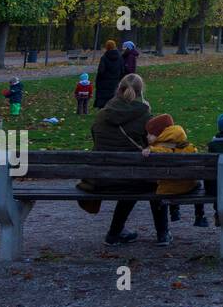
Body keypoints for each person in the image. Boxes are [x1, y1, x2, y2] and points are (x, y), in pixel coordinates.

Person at [82, 73, 170, 247]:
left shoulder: (102, 115)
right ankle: (162, 234)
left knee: (129, 179)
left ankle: (114, 233)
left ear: (119, 90)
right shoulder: (145, 117)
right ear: (140, 92)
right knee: (154, 183)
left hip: (102, 179)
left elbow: (96, 141)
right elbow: (153, 147)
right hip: (131, 179)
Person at [143, 114, 207, 227]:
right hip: (189, 187)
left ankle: (174, 211)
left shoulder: (158, 149)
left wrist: (149, 150)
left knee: (170, 179)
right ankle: (200, 216)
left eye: (150, 134)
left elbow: (159, 152)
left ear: (160, 134)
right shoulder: (188, 146)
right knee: (196, 183)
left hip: (167, 190)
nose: (147, 136)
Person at [94, 40, 124, 109]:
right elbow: (122, 70)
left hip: (104, 81)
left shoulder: (104, 58)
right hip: (115, 80)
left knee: (103, 97)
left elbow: (101, 71)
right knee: (113, 95)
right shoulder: (120, 57)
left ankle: (103, 108)